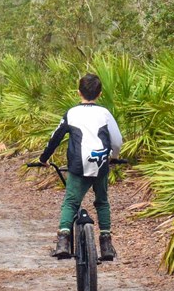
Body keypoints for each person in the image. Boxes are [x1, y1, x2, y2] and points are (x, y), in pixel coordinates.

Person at [39, 73, 123, 262]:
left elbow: (55, 138)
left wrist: (44, 158)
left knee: (71, 202)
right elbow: (117, 141)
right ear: (99, 93)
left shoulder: (72, 113)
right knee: (102, 202)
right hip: (100, 163)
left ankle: (63, 241)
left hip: (78, 164)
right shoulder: (104, 113)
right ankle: (106, 243)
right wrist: (113, 157)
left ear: (79, 93)